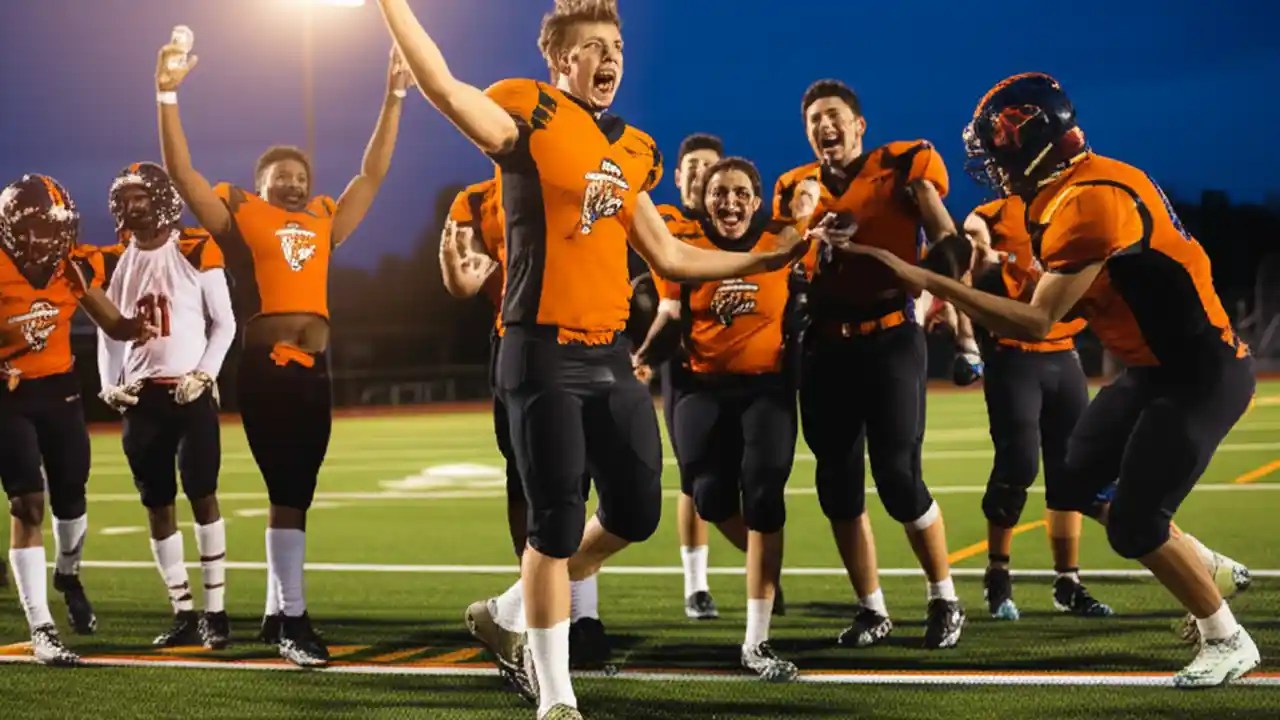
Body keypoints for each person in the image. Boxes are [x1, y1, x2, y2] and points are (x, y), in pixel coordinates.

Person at [375, 1, 809, 715]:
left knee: (636, 510)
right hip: (538, 349)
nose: (609, 57)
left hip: (609, 355)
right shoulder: (528, 110)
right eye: (591, 46)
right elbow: (447, 89)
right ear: (559, 60)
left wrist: (771, 253)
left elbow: (666, 253)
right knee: (553, 523)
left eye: (616, 45)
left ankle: (508, 608)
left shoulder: (633, 147)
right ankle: (556, 694)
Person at [833, 72, 1260, 688]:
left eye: (997, 147)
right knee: (1077, 477)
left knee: (1137, 524)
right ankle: (1204, 566)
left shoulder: (1086, 200)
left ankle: (1228, 638)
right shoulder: (1079, 183)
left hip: (1198, 374)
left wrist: (917, 276)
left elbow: (1038, 319)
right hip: (1151, 369)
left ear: (1031, 139)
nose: (992, 164)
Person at [155, 39, 412, 667]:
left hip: (314, 372)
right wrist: (166, 93)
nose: (294, 184)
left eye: (300, 176)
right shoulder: (241, 212)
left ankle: (277, 610)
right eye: (282, 177)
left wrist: (395, 95)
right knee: (290, 487)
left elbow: (371, 174)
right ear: (259, 184)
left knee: (298, 490)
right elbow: (184, 178)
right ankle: (294, 620)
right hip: (267, 372)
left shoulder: (326, 216)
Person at [783, 79, 969, 650]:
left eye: (833, 115)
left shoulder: (903, 163)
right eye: (813, 119)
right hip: (826, 345)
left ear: (859, 125)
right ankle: (872, 609)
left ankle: (944, 597)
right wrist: (803, 231)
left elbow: (947, 243)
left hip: (889, 336)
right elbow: (784, 266)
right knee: (836, 483)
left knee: (897, 477)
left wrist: (937, 255)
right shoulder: (796, 187)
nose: (824, 126)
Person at [637, 157, 805, 680]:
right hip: (703, 385)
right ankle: (766, 571)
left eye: (739, 193)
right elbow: (671, 318)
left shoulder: (782, 241)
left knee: (763, 494)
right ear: (704, 201)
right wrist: (642, 358)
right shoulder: (684, 247)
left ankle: (757, 640)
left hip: (766, 388)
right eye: (718, 193)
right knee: (707, 496)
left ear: (756, 202)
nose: (728, 202)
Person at [0, 174, 155, 665]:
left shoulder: (73, 265)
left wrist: (138, 328)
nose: (56, 237)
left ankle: (68, 575)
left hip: (61, 390)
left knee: (72, 499)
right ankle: (42, 628)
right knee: (27, 503)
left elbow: (111, 321)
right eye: (46, 227)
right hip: (9, 394)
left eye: (61, 226)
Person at [97, 162, 236, 649]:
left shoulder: (196, 246)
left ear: (161, 198)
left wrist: (205, 373)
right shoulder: (115, 259)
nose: (132, 207)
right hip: (142, 395)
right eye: (126, 198)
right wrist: (107, 382)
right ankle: (182, 610)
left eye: (141, 197)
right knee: (156, 503)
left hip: (190, 390)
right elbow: (108, 327)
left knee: (202, 493)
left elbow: (225, 323)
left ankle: (215, 613)